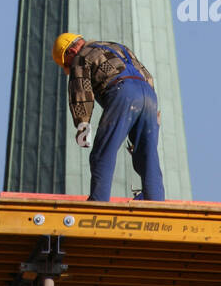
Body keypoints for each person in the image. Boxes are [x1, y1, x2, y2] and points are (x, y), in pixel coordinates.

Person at [51, 33, 165, 202]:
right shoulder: (118, 47)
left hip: (123, 92)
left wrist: (82, 124)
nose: (70, 67)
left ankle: (98, 203)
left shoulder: (81, 56)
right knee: (147, 156)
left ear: (71, 51)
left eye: (67, 64)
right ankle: (156, 205)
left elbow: (80, 90)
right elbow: (147, 76)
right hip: (149, 96)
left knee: (102, 153)